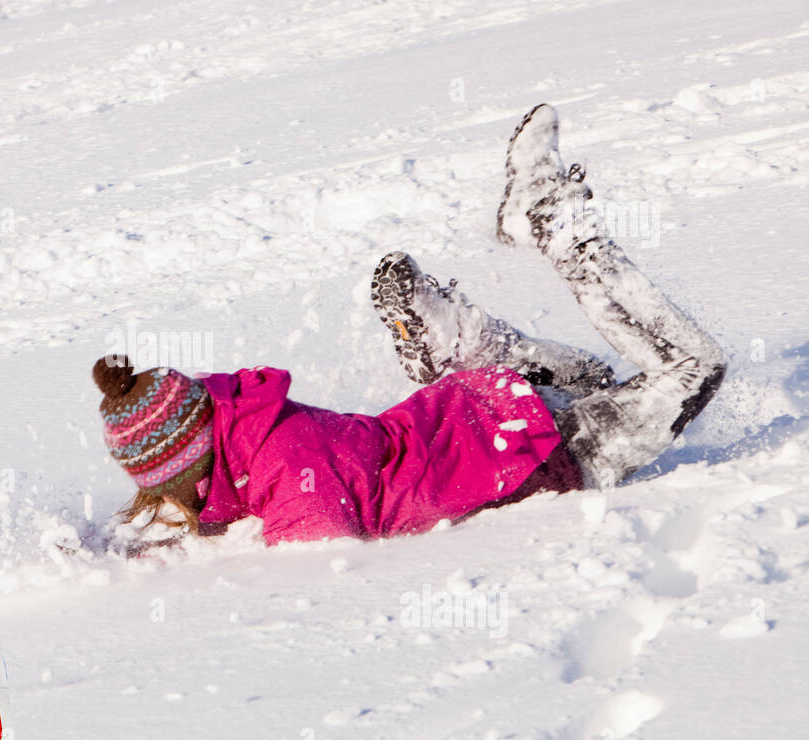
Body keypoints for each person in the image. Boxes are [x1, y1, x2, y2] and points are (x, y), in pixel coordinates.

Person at [93, 105, 726, 549]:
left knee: (694, 368)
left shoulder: (289, 475)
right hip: (471, 412)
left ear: (189, 472)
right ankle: (459, 342)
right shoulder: (241, 419)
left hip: (538, 459)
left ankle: (555, 226)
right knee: (594, 378)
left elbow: (320, 568)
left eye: (169, 495)